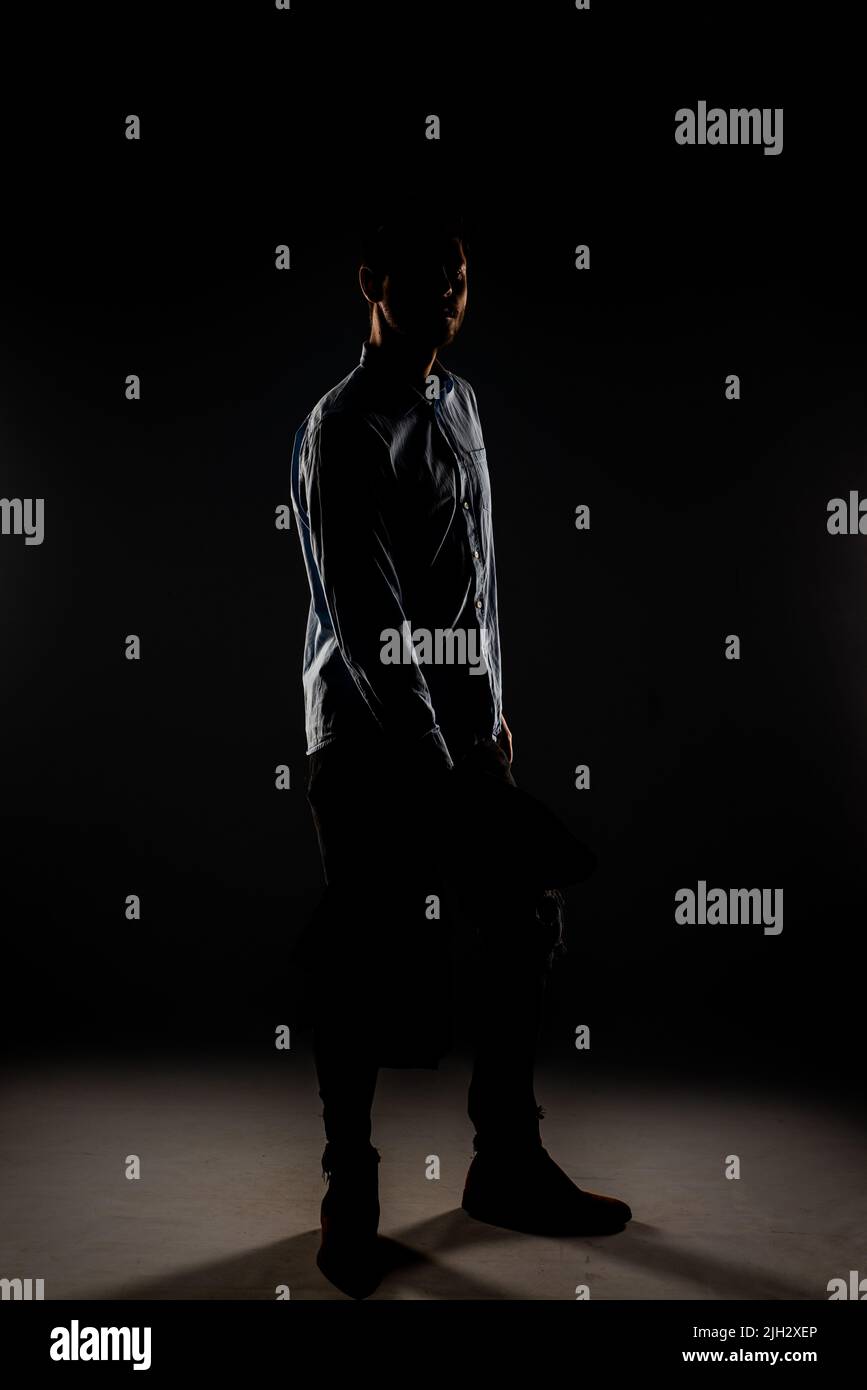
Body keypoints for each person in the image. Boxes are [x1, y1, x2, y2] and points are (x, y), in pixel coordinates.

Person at [289, 204, 632, 1298]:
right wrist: (451, 768)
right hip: (367, 741)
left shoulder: (463, 403)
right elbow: (369, 624)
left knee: (524, 912)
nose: (447, 290)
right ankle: (351, 1190)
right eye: (426, 273)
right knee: (363, 949)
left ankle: (506, 1162)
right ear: (369, 281)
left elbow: (475, 580)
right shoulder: (343, 430)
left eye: (461, 274)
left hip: (459, 737)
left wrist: (494, 718)